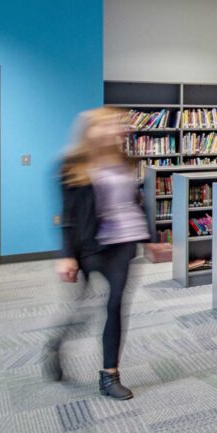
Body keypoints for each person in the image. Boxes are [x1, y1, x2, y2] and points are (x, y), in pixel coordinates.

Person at [46, 107, 147, 400]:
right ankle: (56, 345)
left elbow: (137, 201)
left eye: (118, 125)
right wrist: (66, 255)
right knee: (85, 310)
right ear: (92, 131)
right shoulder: (73, 165)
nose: (119, 129)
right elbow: (68, 216)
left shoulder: (126, 160)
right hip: (91, 244)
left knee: (115, 304)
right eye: (111, 125)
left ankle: (109, 375)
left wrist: (151, 239)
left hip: (124, 242)